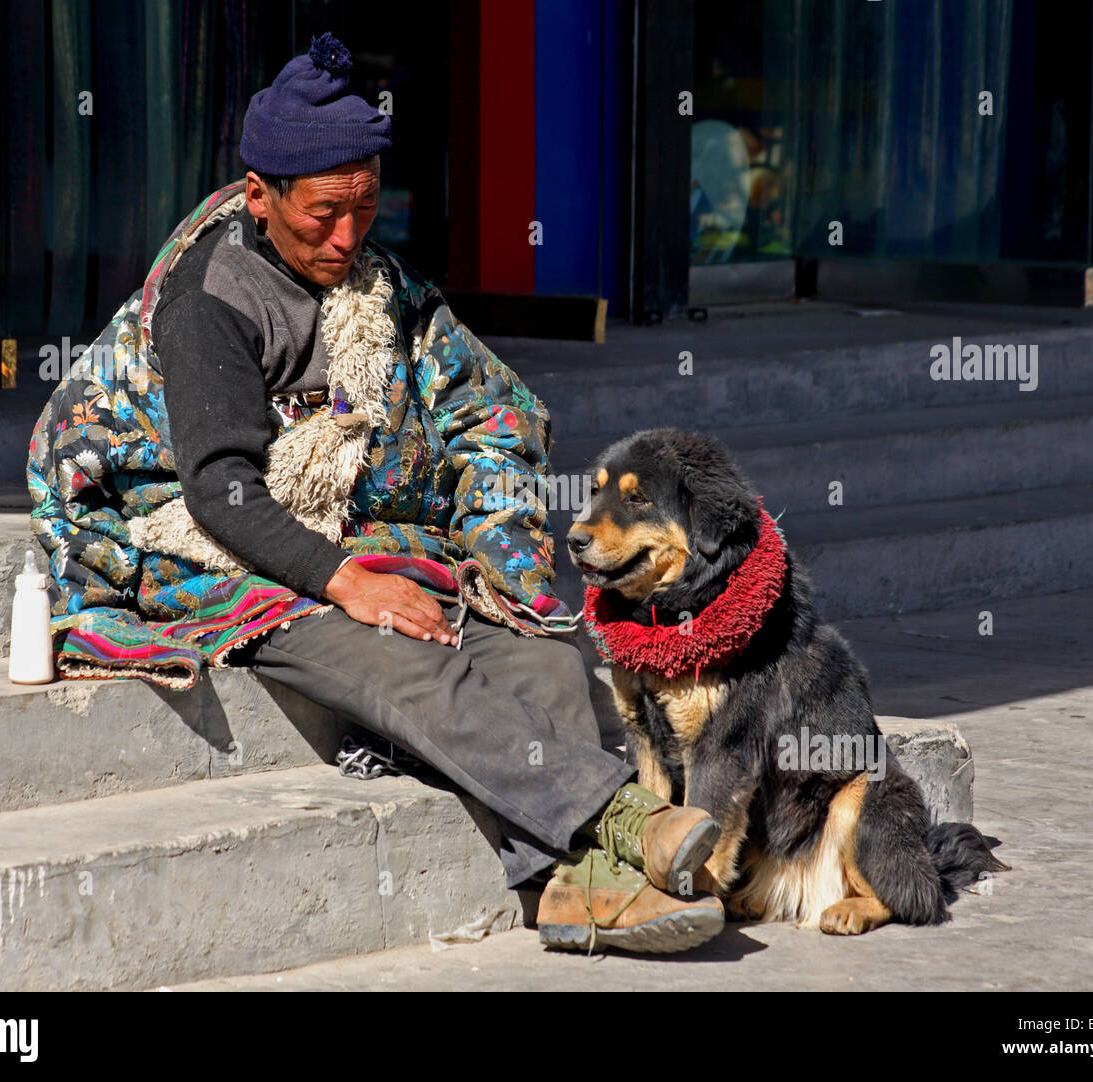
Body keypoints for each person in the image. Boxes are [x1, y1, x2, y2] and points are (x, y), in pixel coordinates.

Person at [40, 33, 727, 954]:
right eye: (324, 214)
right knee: (408, 662)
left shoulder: (380, 285)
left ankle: (565, 887)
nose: (347, 236)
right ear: (260, 195)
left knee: (540, 657)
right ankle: (627, 825)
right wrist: (347, 581)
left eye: (365, 209)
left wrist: (491, 549)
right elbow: (216, 491)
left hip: (363, 531)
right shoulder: (210, 299)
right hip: (211, 546)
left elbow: (485, 409)